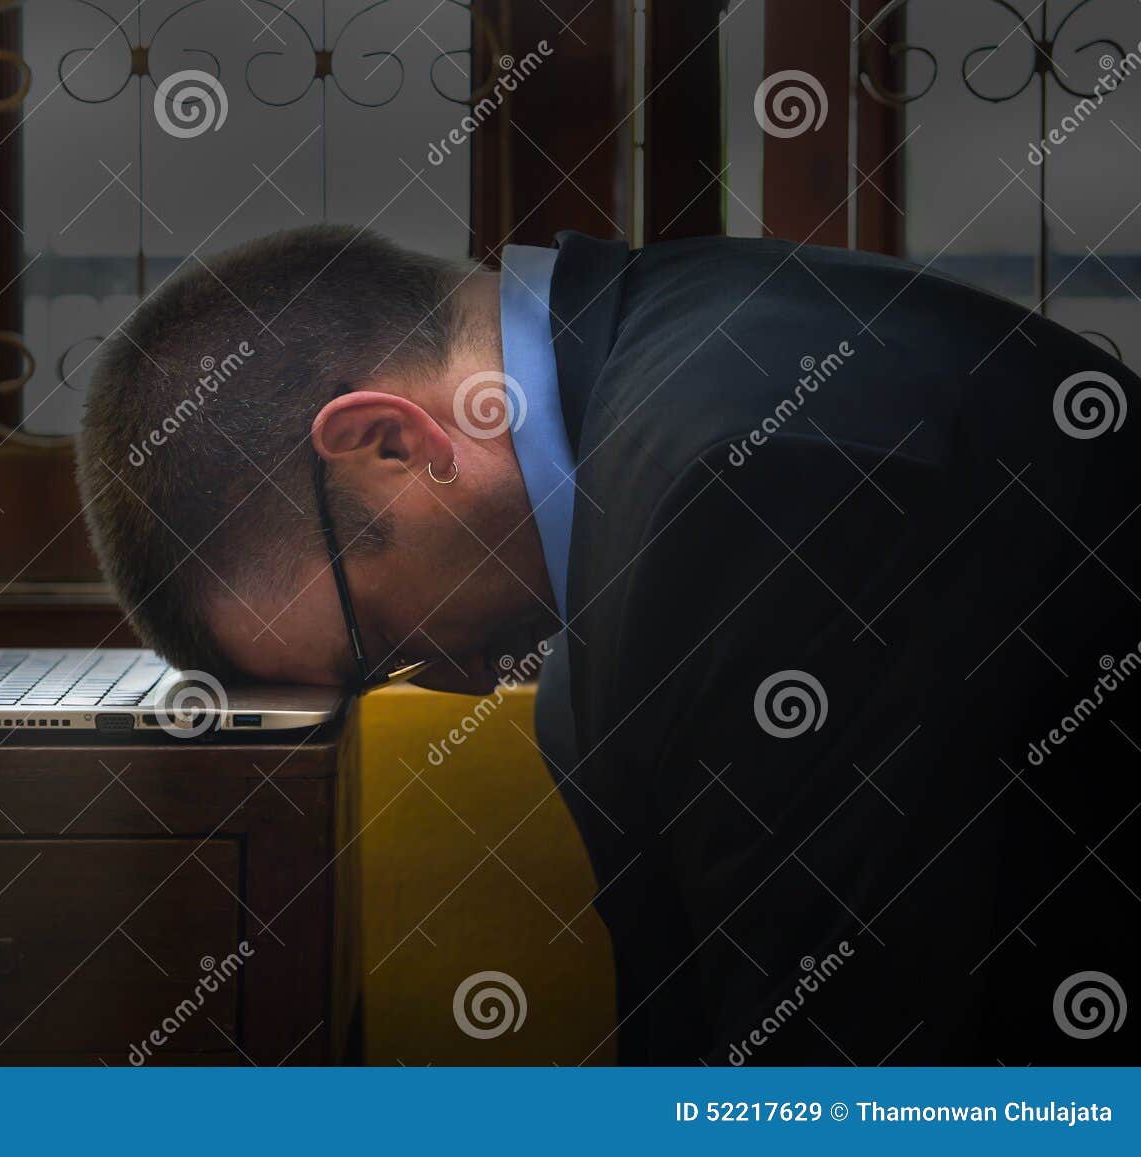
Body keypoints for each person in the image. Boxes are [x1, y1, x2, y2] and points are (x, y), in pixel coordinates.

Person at [78, 224, 1140, 1064]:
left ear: (387, 443)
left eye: (376, 646)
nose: (445, 688)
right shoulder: (663, 377)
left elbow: (848, 1074)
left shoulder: (743, 483)